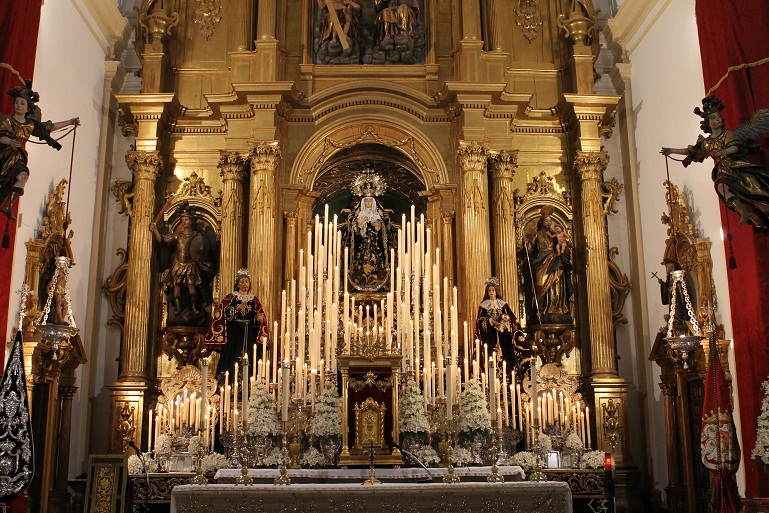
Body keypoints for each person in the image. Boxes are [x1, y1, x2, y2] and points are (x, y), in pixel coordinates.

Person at [661, 95, 769, 228]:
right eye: (713, 118)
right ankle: (743, 211)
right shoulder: (706, 143)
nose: (717, 119)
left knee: (754, 193)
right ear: (707, 122)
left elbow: (736, 146)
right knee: (721, 187)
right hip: (723, 172)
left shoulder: (728, 134)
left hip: (738, 168)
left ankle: (757, 208)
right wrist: (671, 150)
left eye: (718, 117)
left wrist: (725, 152)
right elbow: (692, 151)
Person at [0, 82, 79, 220]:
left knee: (23, 176)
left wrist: (70, 122)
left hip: (17, 158)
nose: (18, 105)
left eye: (22, 103)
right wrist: (10, 141)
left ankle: (8, 205)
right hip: (3, 155)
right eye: (17, 103)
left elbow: (49, 127)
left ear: (27, 108)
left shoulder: (30, 125)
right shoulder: (7, 120)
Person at [151, 201, 216, 323]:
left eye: (186, 220)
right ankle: (178, 310)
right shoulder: (177, 236)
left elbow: (202, 249)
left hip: (191, 265)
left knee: (192, 289)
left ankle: (194, 308)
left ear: (191, 221)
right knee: (177, 289)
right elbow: (162, 240)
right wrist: (155, 230)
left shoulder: (196, 235)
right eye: (182, 220)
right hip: (177, 265)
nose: (184, 222)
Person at [205, 269, 269, 382]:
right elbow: (222, 314)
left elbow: (258, 317)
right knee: (231, 357)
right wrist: (235, 309)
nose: (245, 284)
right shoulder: (230, 298)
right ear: (237, 284)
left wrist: (258, 319)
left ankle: (250, 384)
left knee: (251, 357)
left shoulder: (254, 300)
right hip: (234, 334)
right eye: (242, 282)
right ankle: (228, 384)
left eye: (246, 282)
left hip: (249, 334)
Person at [523, 206, 574, 326]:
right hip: (541, 261)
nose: (549, 223)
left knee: (557, 284)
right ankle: (542, 308)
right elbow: (530, 249)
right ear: (541, 222)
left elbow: (565, 248)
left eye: (550, 221)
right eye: (546, 221)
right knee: (540, 284)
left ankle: (557, 307)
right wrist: (526, 244)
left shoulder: (555, 234)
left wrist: (565, 248)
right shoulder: (537, 234)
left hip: (556, 261)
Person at [344, 196, 393, 291]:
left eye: (370, 200)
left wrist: (378, 225)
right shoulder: (359, 213)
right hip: (362, 244)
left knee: (378, 261)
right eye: (366, 200)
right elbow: (352, 229)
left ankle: (379, 280)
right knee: (360, 263)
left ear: (373, 202)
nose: (368, 202)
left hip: (375, 243)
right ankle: (359, 280)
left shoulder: (377, 213)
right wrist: (358, 224)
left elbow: (386, 227)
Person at [474, 277, 523, 373]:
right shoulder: (484, 305)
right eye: (489, 290)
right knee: (490, 353)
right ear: (487, 292)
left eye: (493, 290)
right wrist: (491, 321)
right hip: (489, 335)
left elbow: (512, 318)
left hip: (503, 335)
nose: (491, 292)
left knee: (506, 354)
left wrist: (505, 321)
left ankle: (508, 373)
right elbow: (480, 320)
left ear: (496, 291)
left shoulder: (503, 304)